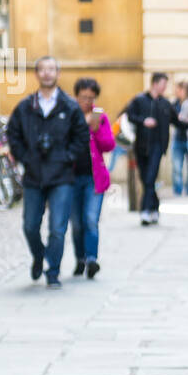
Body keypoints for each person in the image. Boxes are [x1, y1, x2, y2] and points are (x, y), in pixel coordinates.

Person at [6, 56, 89, 289]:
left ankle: (53, 271)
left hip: (61, 176)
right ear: (36, 74)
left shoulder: (70, 106)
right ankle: (39, 255)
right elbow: (13, 135)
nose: (47, 73)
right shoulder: (25, 107)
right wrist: (25, 157)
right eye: (42, 69)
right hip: (33, 175)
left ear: (58, 73)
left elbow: (81, 138)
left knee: (57, 228)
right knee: (30, 226)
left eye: (51, 69)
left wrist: (67, 157)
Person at [70, 78, 115, 279]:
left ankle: (91, 259)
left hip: (93, 178)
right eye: (83, 97)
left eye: (91, 97)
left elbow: (109, 145)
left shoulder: (100, 116)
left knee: (90, 219)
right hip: (70, 178)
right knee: (77, 223)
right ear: (76, 96)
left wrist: (95, 129)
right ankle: (80, 258)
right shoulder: (69, 115)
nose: (87, 101)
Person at [125, 72, 172, 225]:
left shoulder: (165, 103)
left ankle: (145, 210)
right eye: (163, 84)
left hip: (157, 146)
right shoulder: (139, 100)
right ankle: (154, 208)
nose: (165, 87)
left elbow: (177, 120)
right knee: (146, 180)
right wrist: (143, 121)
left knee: (150, 177)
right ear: (155, 83)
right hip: (141, 146)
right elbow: (128, 115)